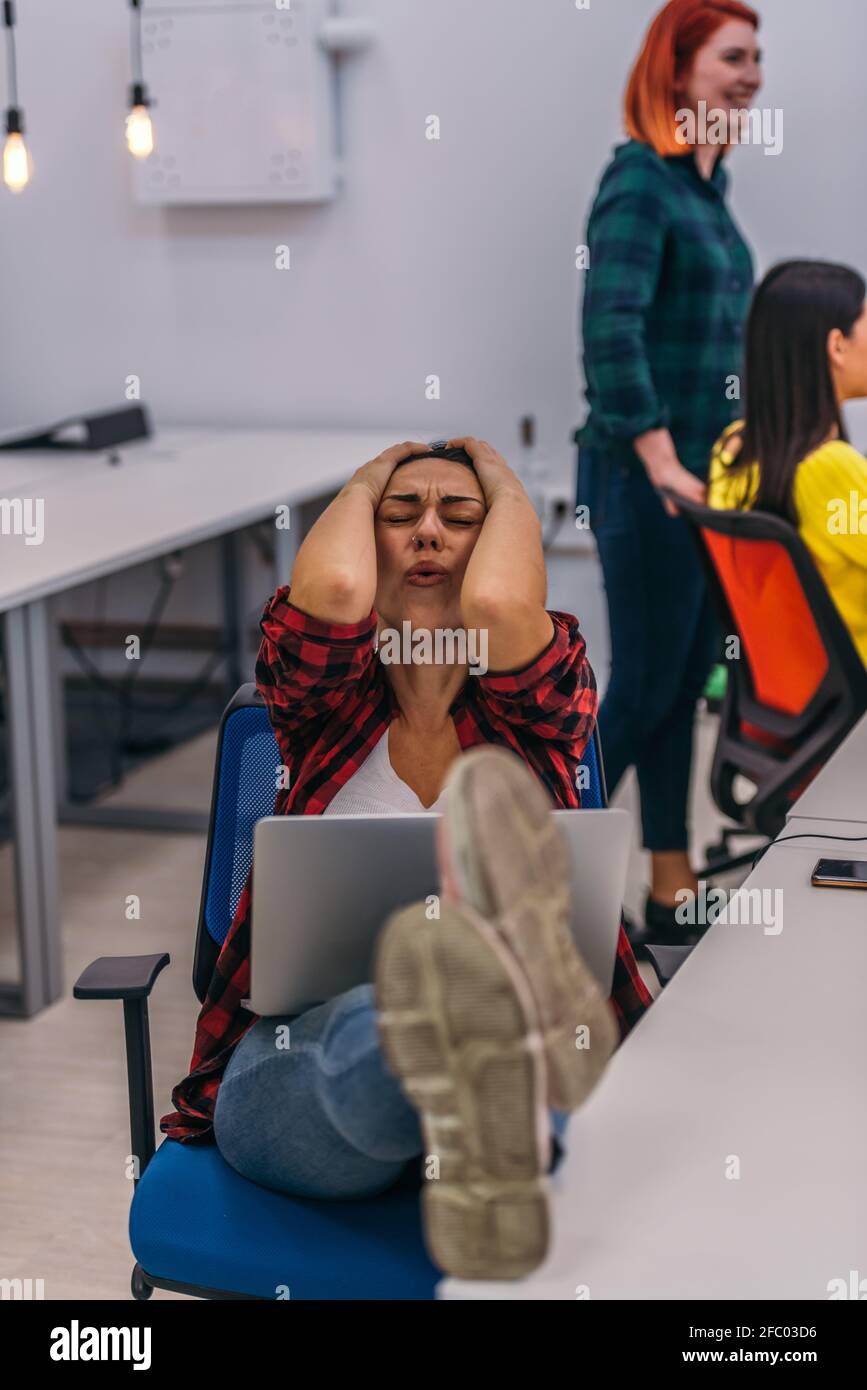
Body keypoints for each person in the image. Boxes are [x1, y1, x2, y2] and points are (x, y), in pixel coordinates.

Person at [160, 437, 652, 1279]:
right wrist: (364, 477)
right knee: (366, 1037)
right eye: (400, 515)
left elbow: (497, 607)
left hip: (452, 1093)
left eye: (461, 519)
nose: (428, 533)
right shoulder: (317, 701)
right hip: (300, 1065)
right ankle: (474, 1044)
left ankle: (469, 1055)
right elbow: (338, 589)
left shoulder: (544, 697)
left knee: (405, 1037)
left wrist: (499, 481)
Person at [574, 0, 761, 950]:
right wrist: (658, 459)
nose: (751, 74)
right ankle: (526, 887)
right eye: (732, 56)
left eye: (755, 57)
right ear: (677, 71)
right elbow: (610, 332)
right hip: (642, 478)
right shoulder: (640, 181)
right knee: (645, 689)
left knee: (683, 686)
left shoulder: (706, 187)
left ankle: (666, 882)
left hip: (700, 483)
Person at [708, 260, 867, 668]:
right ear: (836, 346)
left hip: (792, 684)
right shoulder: (831, 468)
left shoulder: (731, 448)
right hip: (850, 686)